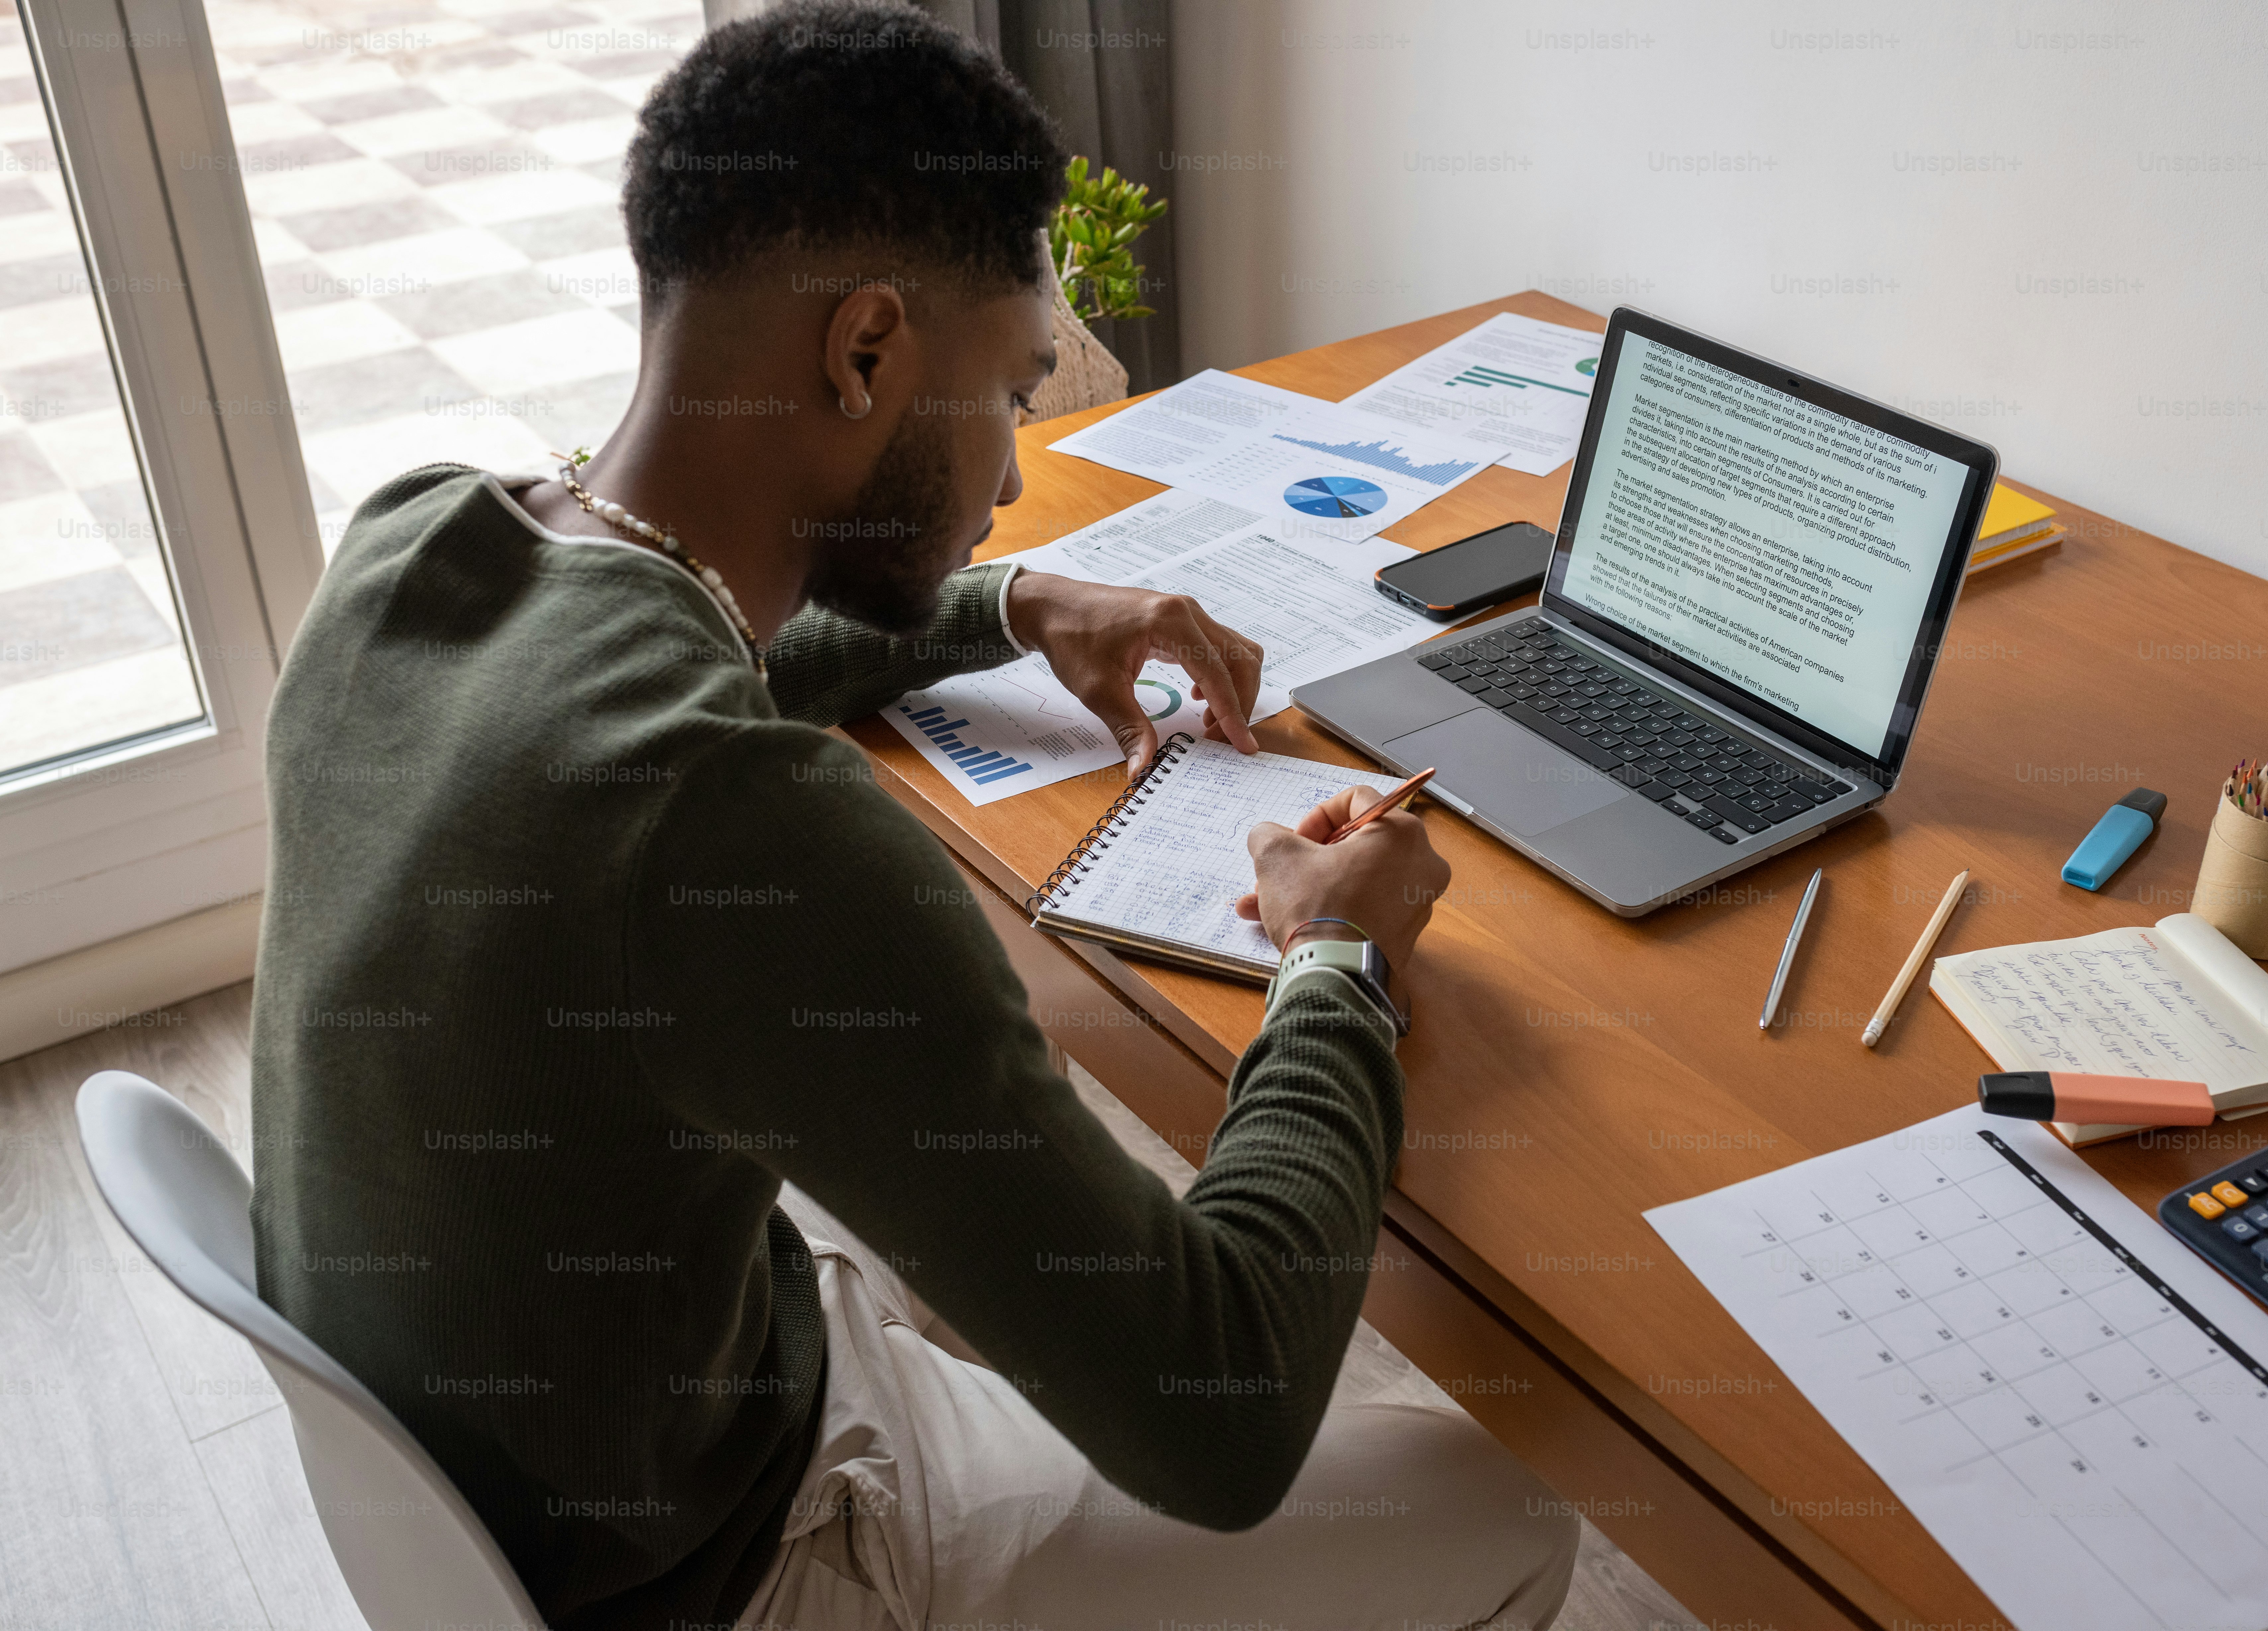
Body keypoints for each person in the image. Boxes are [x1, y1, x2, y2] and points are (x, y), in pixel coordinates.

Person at [246, 4, 1578, 1628]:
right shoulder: (737, 824)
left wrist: (1013, 604)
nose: (1012, 473)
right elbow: (1217, 1417)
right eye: (1012, 389)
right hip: (744, 1563)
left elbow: (678, 659)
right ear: (866, 349)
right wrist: (1335, 962)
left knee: (970, 1246)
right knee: (1500, 1506)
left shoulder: (412, 543)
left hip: (575, 1453)